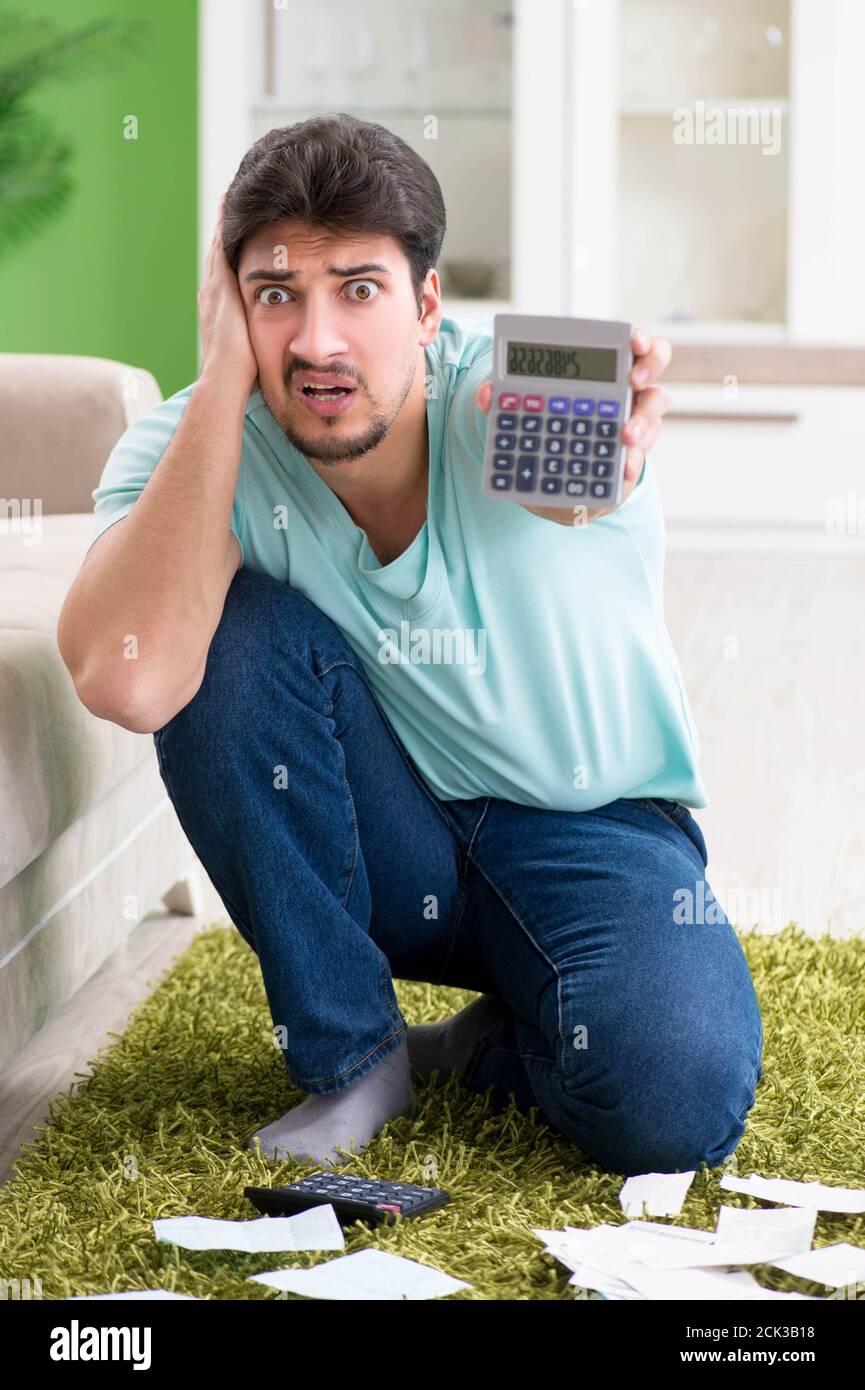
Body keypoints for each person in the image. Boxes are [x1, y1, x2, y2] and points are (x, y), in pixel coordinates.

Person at [57, 113, 763, 1177]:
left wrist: (602, 442)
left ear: (428, 305)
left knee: (673, 1103)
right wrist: (219, 380)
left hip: (590, 830)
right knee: (221, 631)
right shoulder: (192, 438)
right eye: (276, 295)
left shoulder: (500, 396)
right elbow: (127, 674)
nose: (317, 341)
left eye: (359, 289)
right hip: (381, 837)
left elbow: (576, 478)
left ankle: (492, 1040)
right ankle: (353, 1056)